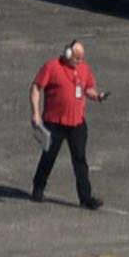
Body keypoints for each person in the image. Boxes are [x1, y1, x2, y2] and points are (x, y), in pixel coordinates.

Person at [29, 38, 98, 207]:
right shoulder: (52, 67)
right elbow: (36, 88)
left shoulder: (84, 68)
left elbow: (88, 88)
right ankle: (38, 187)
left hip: (77, 123)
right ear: (68, 54)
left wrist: (97, 96)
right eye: (76, 58)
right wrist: (36, 113)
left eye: (81, 58)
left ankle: (85, 197)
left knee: (80, 159)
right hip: (55, 122)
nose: (79, 62)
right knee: (49, 156)